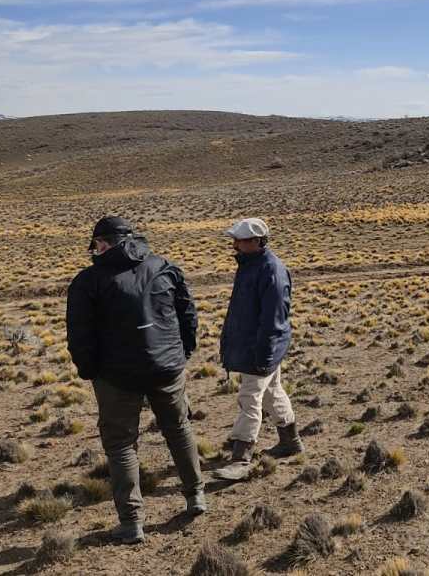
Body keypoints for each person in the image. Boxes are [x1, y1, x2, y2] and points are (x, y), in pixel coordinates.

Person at [66, 216, 205, 545]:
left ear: (103, 242)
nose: (94, 249)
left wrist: (89, 370)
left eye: (96, 243)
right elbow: (188, 315)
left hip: (116, 377)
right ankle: (195, 495)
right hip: (167, 368)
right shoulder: (164, 266)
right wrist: (180, 354)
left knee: (121, 445)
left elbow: (79, 334)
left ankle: (131, 523)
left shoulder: (88, 280)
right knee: (179, 428)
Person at [212, 218, 302, 482]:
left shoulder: (270, 270)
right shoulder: (252, 266)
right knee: (272, 391)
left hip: (261, 347)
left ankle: (241, 458)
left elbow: (274, 319)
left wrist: (264, 354)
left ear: (257, 241)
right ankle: (290, 440)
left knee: (250, 397)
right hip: (259, 345)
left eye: (240, 240)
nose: (235, 244)